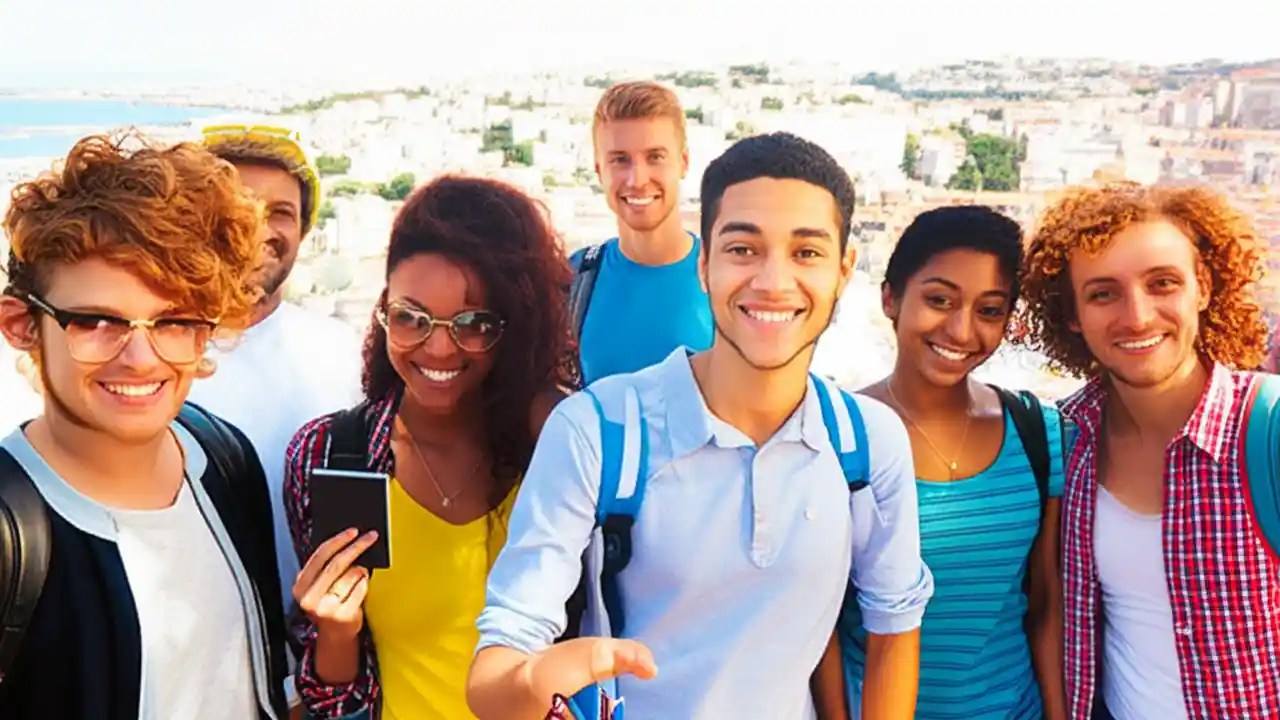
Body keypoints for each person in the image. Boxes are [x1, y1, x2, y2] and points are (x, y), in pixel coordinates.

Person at [467, 132, 933, 719]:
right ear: (704, 264)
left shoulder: (867, 444)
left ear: (844, 271)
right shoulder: (600, 430)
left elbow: (895, 620)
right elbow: (493, 679)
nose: (773, 280)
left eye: (806, 253)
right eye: (744, 249)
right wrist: (540, 679)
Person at [0, 133, 288, 719]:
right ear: (22, 325)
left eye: (174, 321)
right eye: (98, 322)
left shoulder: (222, 459)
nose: (140, 358)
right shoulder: (12, 533)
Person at [283, 176, 576, 719]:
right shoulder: (332, 455)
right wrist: (336, 629)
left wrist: (557, 416)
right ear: (383, 310)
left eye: (474, 324)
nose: (439, 347)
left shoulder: (560, 449)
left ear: (514, 327)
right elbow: (337, 699)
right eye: (411, 318)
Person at [1020, 182, 1279, 719]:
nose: (1136, 316)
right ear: (1072, 315)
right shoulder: (1065, 439)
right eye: (1103, 293)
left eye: (1162, 284)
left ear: (1203, 289)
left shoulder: (1267, 430)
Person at [851, 206, 1066, 719]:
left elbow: (1045, 606)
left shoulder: (1038, 431)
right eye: (939, 300)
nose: (961, 330)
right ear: (890, 298)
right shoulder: (841, 438)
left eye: (989, 310)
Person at [191, 123, 364, 622]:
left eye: (280, 213)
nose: (258, 228)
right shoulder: (143, 363)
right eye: (237, 208)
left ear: (304, 232)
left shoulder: (343, 354)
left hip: (310, 672)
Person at [567, 80, 713, 383]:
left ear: (683, 163)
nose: (637, 179)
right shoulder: (574, 280)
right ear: (599, 170)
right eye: (620, 160)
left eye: (655, 157)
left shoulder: (722, 278)